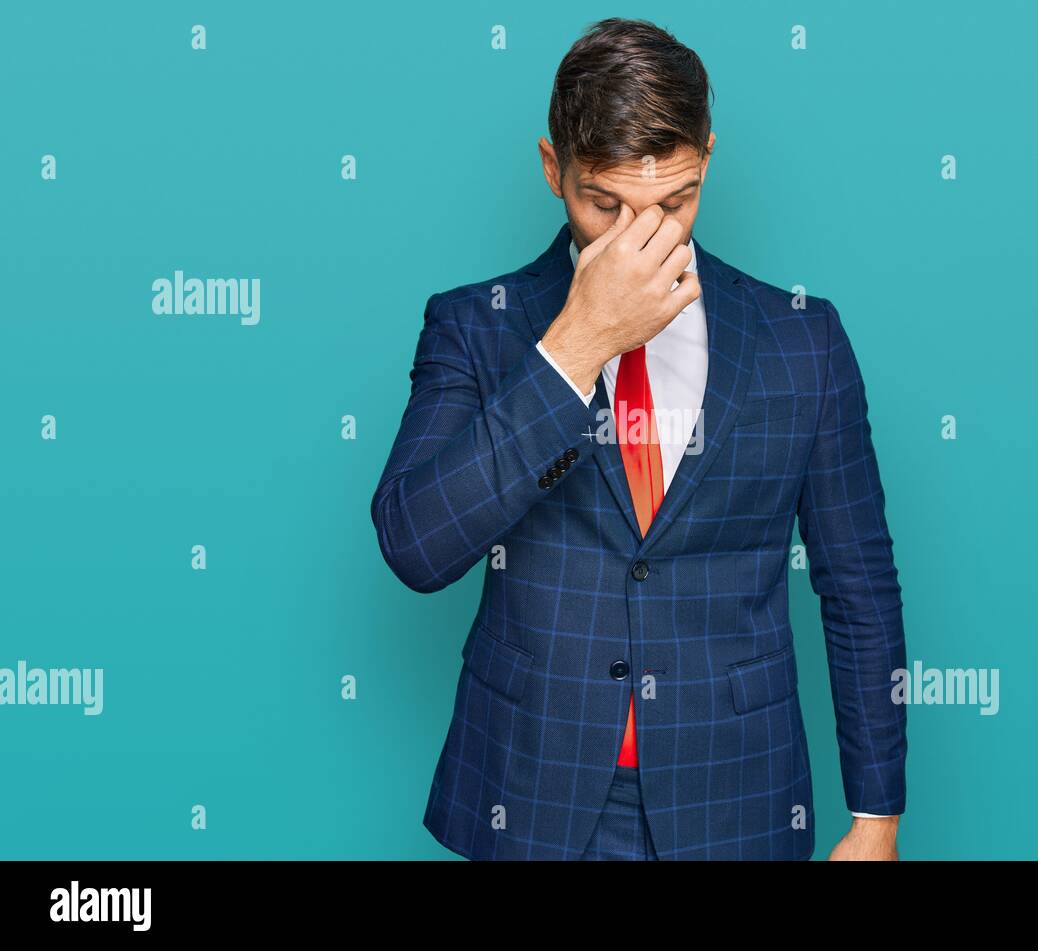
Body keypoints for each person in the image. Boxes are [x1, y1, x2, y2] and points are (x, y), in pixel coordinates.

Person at [371, 17, 907, 861]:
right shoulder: (477, 326)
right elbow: (414, 543)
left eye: (673, 202)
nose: (642, 237)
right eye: (606, 204)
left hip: (737, 794)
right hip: (531, 792)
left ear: (707, 157)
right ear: (554, 170)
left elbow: (860, 587)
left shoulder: (806, 341)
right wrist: (576, 346)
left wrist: (877, 816)